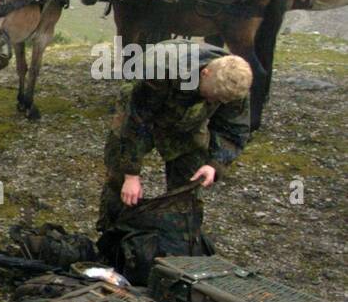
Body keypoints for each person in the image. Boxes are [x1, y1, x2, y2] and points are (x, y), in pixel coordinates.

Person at [97, 40, 252, 233]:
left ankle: (179, 235)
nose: (215, 101)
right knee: (119, 173)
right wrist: (131, 174)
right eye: (213, 96)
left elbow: (234, 130)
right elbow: (137, 121)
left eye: (220, 101)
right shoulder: (161, 70)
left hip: (188, 117)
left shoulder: (233, 83)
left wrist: (214, 164)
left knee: (189, 176)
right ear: (205, 73)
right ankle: (111, 233)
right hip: (141, 106)